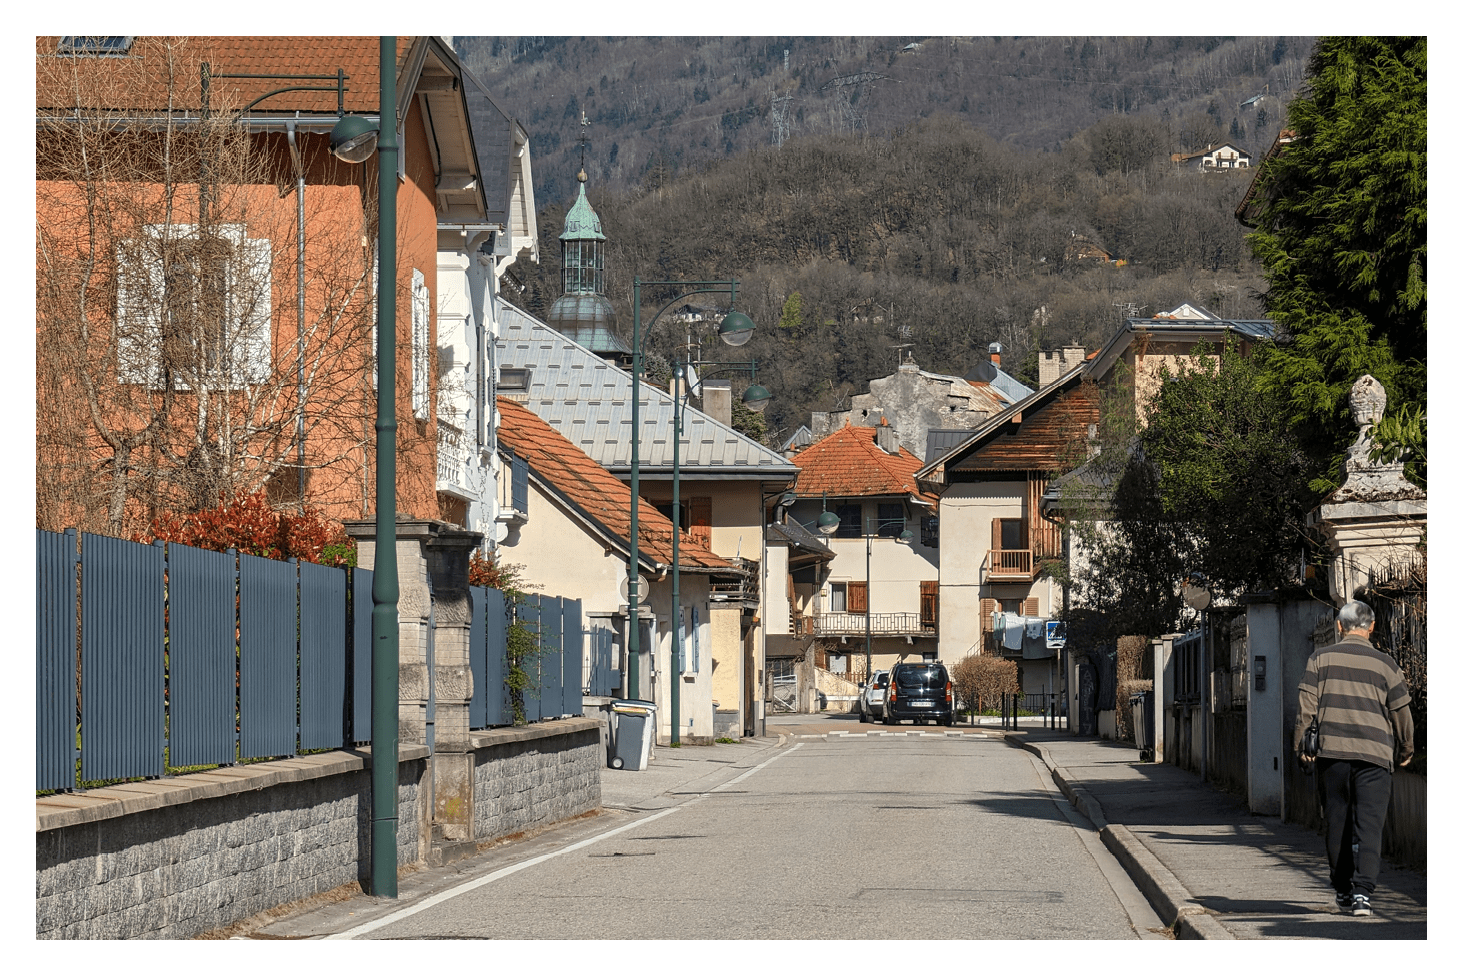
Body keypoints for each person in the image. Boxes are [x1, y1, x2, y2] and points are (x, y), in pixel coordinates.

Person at [1295, 600, 1413, 917]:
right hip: (1375, 757)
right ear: (1372, 627)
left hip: (1333, 755)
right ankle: (1363, 894)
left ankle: (1343, 889)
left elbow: (1306, 708)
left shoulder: (1319, 659)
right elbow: (1402, 712)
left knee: (1337, 823)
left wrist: (1302, 748)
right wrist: (1405, 749)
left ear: (1339, 626)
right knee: (1369, 827)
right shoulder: (1386, 664)